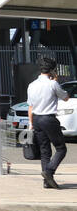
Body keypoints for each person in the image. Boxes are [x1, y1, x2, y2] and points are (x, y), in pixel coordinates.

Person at [28, 55, 70, 189]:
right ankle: (49, 172)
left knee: (44, 150)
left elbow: (30, 106)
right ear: (52, 70)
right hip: (48, 119)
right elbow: (65, 98)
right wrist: (56, 81)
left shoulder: (32, 85)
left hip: (36, 118)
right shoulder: (52, 84)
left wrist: (31, 123)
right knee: (61, 148)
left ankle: (47, 182)